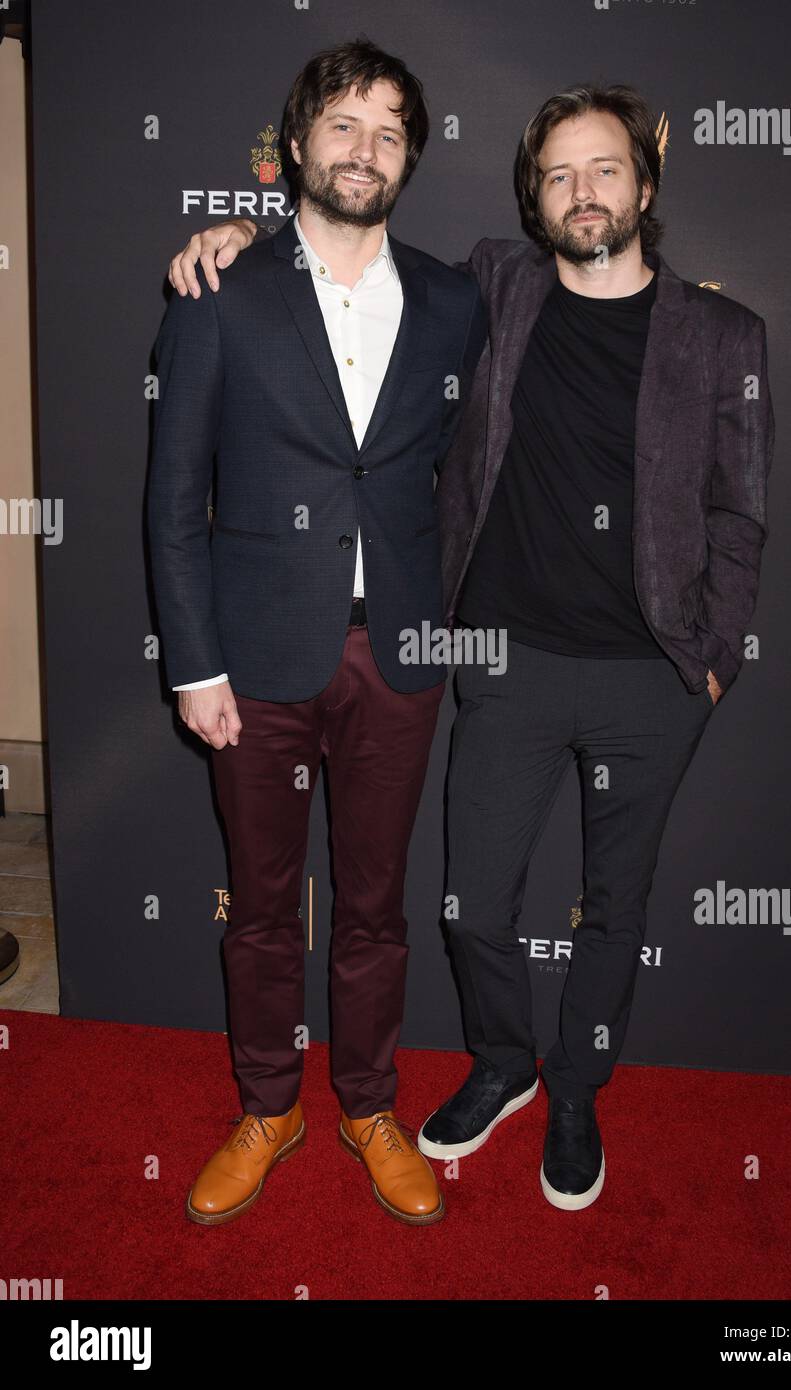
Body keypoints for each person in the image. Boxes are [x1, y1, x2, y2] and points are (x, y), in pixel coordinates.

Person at [168, 82, 774, 1212]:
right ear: (531, 199)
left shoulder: (721, 333)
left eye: (603, 171)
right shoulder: (493, 287)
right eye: (557, 175)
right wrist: (241, 236)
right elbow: (339, 243)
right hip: (505, 664)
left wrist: (715, 652)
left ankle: (576, 1091)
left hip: (653, 674)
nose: (581, 192)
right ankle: (499, 1064)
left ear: (644, 184)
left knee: (614, 908)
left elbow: (739, 511)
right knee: (468, 907)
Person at [148, 37, 486, 1228]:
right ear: (296, 147)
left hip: (397, 655)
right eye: (344, 124)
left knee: (376, 905)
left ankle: (367, 1102)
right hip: (253, 661)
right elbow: (172, 494)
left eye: (390, 132)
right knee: (261, 901)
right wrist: (193, 664)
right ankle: (266, 1105)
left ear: (407, 162)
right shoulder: (219, 291)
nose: (366, 148)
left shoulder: (454, 299)